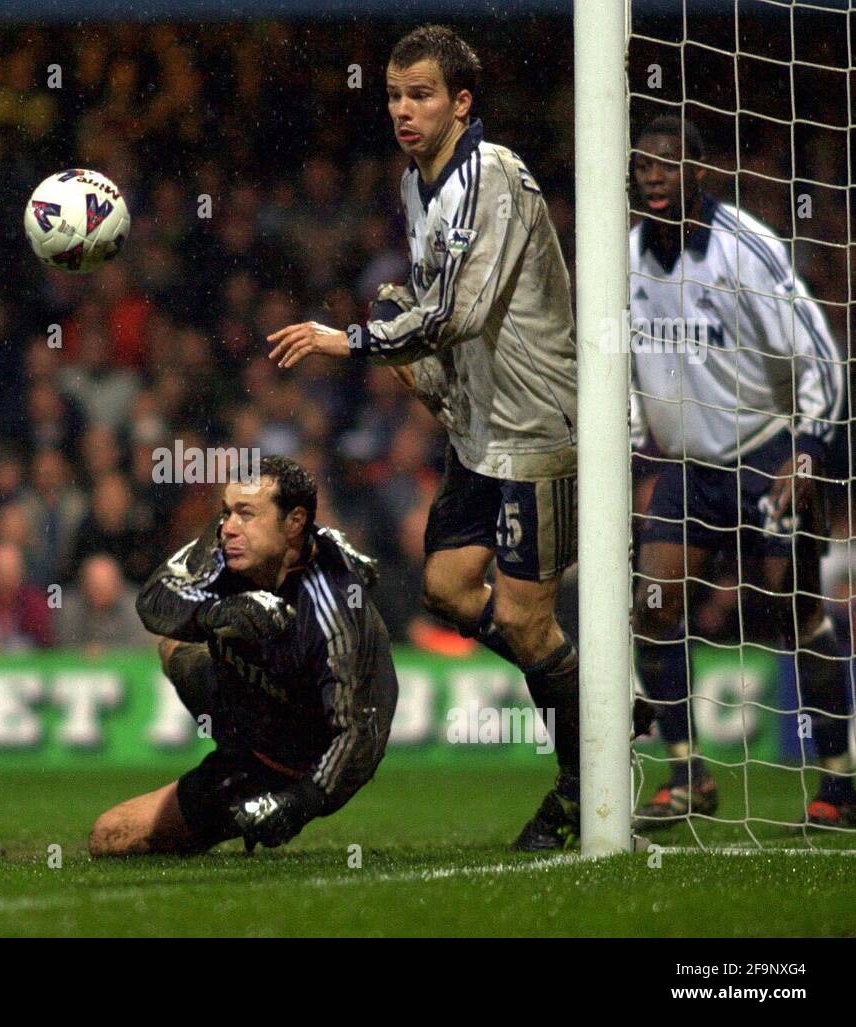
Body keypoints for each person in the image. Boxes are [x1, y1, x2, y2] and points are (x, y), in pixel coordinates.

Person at [267, 25, 581, 849]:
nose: (404, 112)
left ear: (461, 102)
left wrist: (355, 340)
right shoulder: (418, 184)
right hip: (478, 426)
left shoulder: (496, 177)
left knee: (524, 620)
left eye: (422, 96)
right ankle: (586, 690)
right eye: (396, 97)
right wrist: (415, 354)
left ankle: (584, 781)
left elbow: (462, 312)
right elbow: (433, 308)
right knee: (445, 589)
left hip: (538, 423)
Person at [629, 116, 853, 829]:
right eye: (644, 164)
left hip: (766, 452)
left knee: (792, 611)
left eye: (669, 163)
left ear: (701, 172)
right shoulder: (626, 256)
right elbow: (626, 363)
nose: (653, 174)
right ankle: (687, 773)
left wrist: (810, 447)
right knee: (655, 606)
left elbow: (821, 354)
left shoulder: (747, 248)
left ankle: (841, 783)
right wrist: (631, 441)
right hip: (689, 467)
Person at [88, 456, 397, 856]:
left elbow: (357, 737)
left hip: (295, 761)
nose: (229, 526)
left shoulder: (333, 609)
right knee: (107, 839)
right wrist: (216, 614)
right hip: (250, 715)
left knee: (112, 837)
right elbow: (153, 602)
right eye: (226, 511)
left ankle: (237, 798)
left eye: (246, 514)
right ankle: (225, 762)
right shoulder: (223, 546)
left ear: (294, 522)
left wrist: (298, 804)